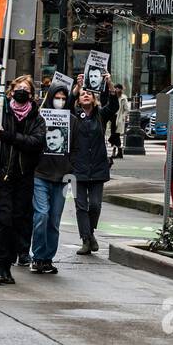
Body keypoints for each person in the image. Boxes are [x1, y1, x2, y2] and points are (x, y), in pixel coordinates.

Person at [0, 75, 46, 286]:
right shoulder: (1, 116)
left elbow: (37, 142)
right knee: (3, 220)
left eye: (26, 89)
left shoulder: (36, 119)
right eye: (18, 88)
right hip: (4, 176)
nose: (22, 91)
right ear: (11, 91)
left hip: (24, 178)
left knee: (18, 222)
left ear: (31, 95)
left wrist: (12, 137)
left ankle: (8, 265)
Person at [70, 74, 118, 254]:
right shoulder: (74, 115)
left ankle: (90, 233)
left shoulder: (100, 115)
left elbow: (114, 106)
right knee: (80, 205)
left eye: (89, 92)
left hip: (97, 167)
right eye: (83, 93)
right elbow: (65, 104)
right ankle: (86, 239)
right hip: (77, 168)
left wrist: (109, 84)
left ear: (94, 97)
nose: (86, 95)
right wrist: (76, 87)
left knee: (95, 205)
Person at [31, 84, 73, 274]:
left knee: (54, 220)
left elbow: (78, 150)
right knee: (42, 215)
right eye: (57, 97)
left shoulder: (72, 121)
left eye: (64, 98)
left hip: (63, 178)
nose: (60, 101)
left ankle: (48, 258)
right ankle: (37, 256)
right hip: (40, 174)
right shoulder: (40, 119)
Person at [109, 83, 130, 159]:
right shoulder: (112, 96)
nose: (116, 89)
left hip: (119, 118)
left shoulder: (123, 98)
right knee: (113, 135)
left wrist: (123, 117)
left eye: (118, 88)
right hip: (111, 117)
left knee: (115, 135)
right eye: (115, 88)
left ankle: (116, 152)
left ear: (121, 89)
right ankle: (118, 152)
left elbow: (127, 109)